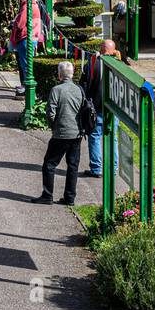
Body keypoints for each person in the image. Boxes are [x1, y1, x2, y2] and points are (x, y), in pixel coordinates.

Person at [33, 60, 84, 205]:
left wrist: (53, 127)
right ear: (72, 74)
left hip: (61, 133)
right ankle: (70, 198)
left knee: (49, 164)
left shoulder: (56, 90)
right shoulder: (79, 89)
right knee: (73, 166)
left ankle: (47, 195)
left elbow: (50, 112)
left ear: (59, 75)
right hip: (77, 134)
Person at [81, 39, 120, 177]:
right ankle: (113, 168)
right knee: (113, 138)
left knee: (95, 137)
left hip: (96, 108)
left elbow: (84, 85)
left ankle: (96, 169)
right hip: (113, 109)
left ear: (101, 49)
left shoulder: (92, 65)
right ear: (113, 50)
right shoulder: (119, 65)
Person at [9, 0, 46, 96]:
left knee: (25, 65)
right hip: (32, 37)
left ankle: (27, 89)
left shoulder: (27, 7)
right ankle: (26, 87)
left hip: (25, 38)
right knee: (27, 64)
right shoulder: (34, 6)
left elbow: (20, 24)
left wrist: (14, 23)